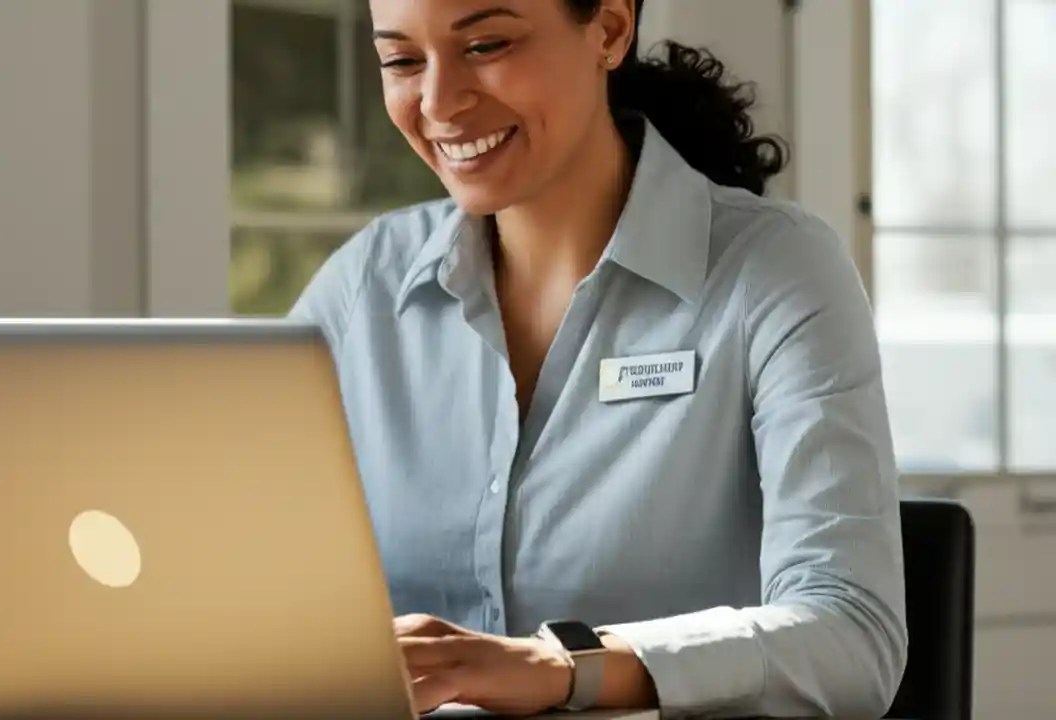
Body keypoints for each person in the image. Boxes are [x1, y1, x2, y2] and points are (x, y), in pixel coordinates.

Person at [290, 0, 907, 717]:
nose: (438, 102)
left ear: (610, 30)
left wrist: (562, 667)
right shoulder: (364, 284)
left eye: (486, 44)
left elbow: (851, 638)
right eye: (401, 60)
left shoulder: (772, 271)